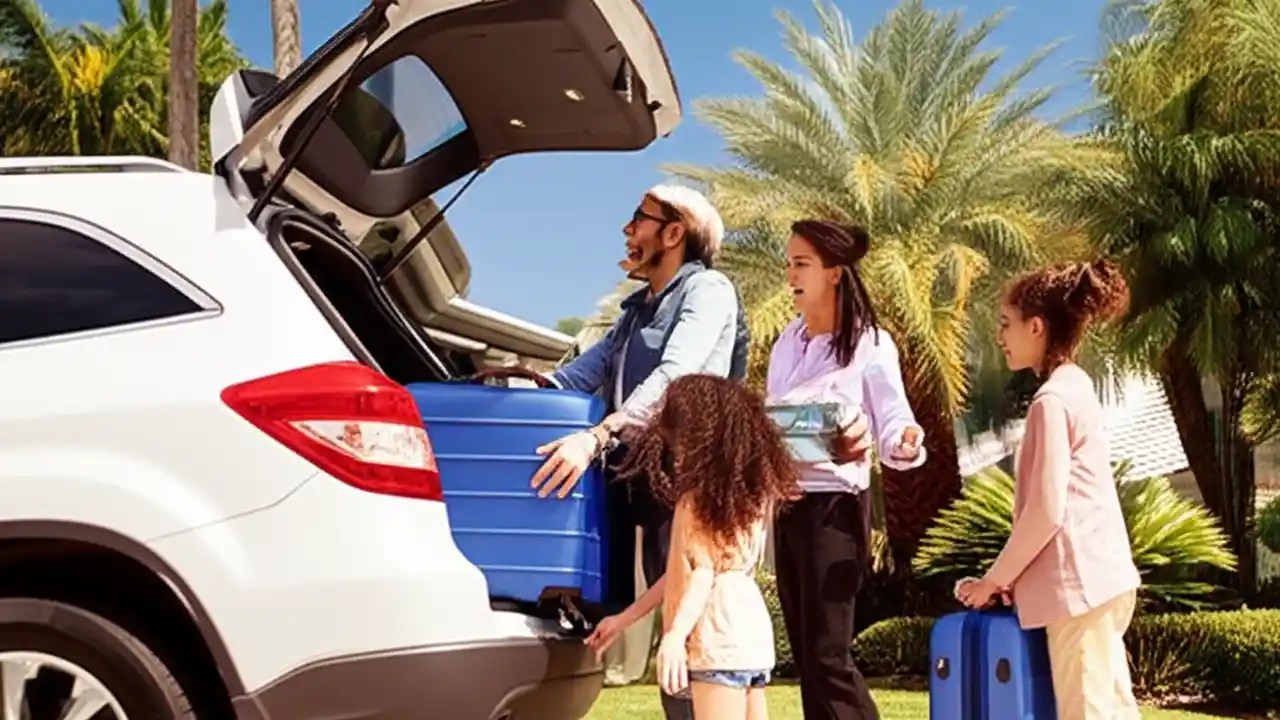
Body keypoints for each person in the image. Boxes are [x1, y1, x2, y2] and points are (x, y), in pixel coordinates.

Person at [529, 184, 747, 720]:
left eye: (638, 219)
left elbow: (677, 377)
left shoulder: (708, 290)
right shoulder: (635, 314)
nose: (628, 231)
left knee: (697, 632)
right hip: (650, 475)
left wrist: (598, 436)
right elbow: (577, 377)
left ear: (674, 234)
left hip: (692, 473)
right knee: (674, 620)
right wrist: (509, 394)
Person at [956, 259, 1142, 720]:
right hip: (1100, 582)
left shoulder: (1052, 401)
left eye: (1005, 324)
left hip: (1078, 589)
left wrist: (992, 582)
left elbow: (1045, 511)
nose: (1000, 337)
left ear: (1036, 326)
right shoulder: (1075, 386)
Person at [765, 219, 925, 720]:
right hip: (787, 510)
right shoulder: (785, 345)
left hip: (835, 512)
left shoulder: (871, 345)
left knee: (828, 655)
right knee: (808, 661)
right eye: (789, 263)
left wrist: (903, 439)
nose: (790, 274)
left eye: (801, 264)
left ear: (834, 272)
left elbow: (895, 419)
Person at [585, 374, 801, 720]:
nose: (676, 453)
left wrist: (675, 635)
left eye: (678, 442)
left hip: (713, 638)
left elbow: (702, 573)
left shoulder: (699, 499)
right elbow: (680, 574)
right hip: (749, 634)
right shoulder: (749, 495)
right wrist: (624, 619)